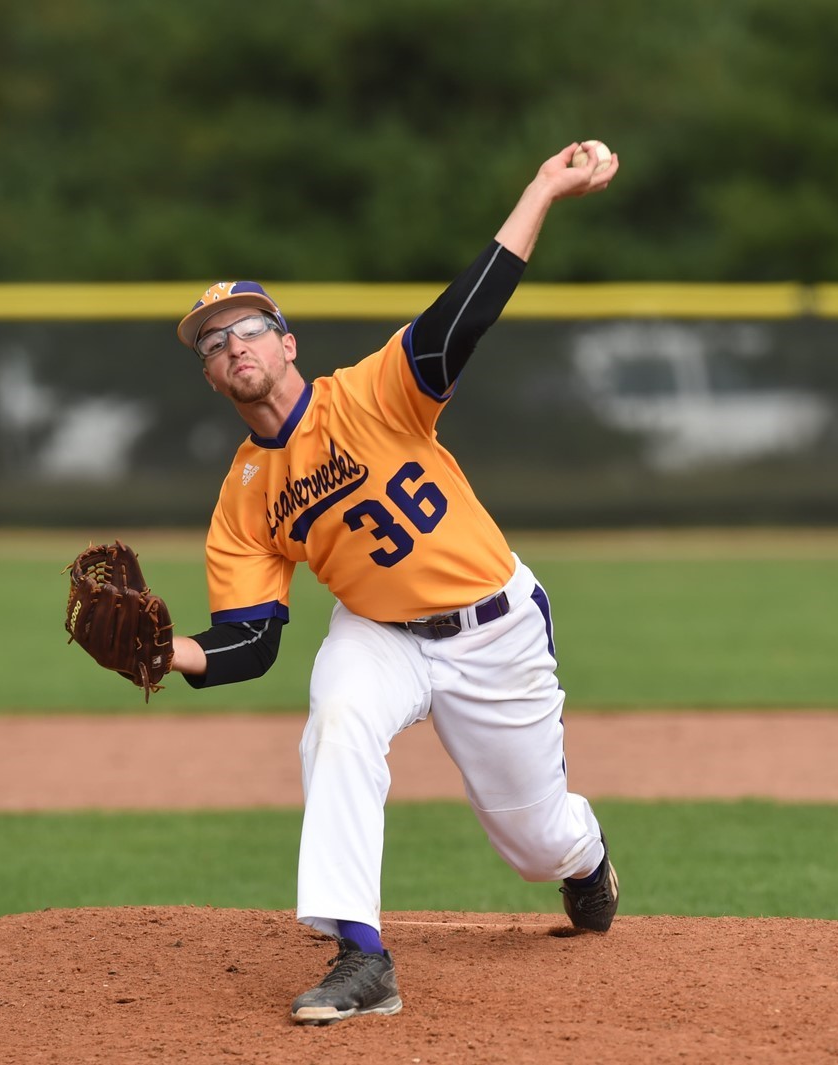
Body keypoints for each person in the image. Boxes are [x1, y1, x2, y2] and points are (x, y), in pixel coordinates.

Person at [167, 142, 622, 1026]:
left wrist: (541, 188)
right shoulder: (242, 498)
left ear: (287, 344)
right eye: (212, 345)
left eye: (248, 328)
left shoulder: (370, 392)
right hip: (379, 633)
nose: (231, 346)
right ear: (214, 376)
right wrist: (170, 651)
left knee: (534, 843)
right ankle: (362, 956)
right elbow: (251, 639)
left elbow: (465, 317)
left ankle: (586, 856)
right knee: (335, 718)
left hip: (495, 627)